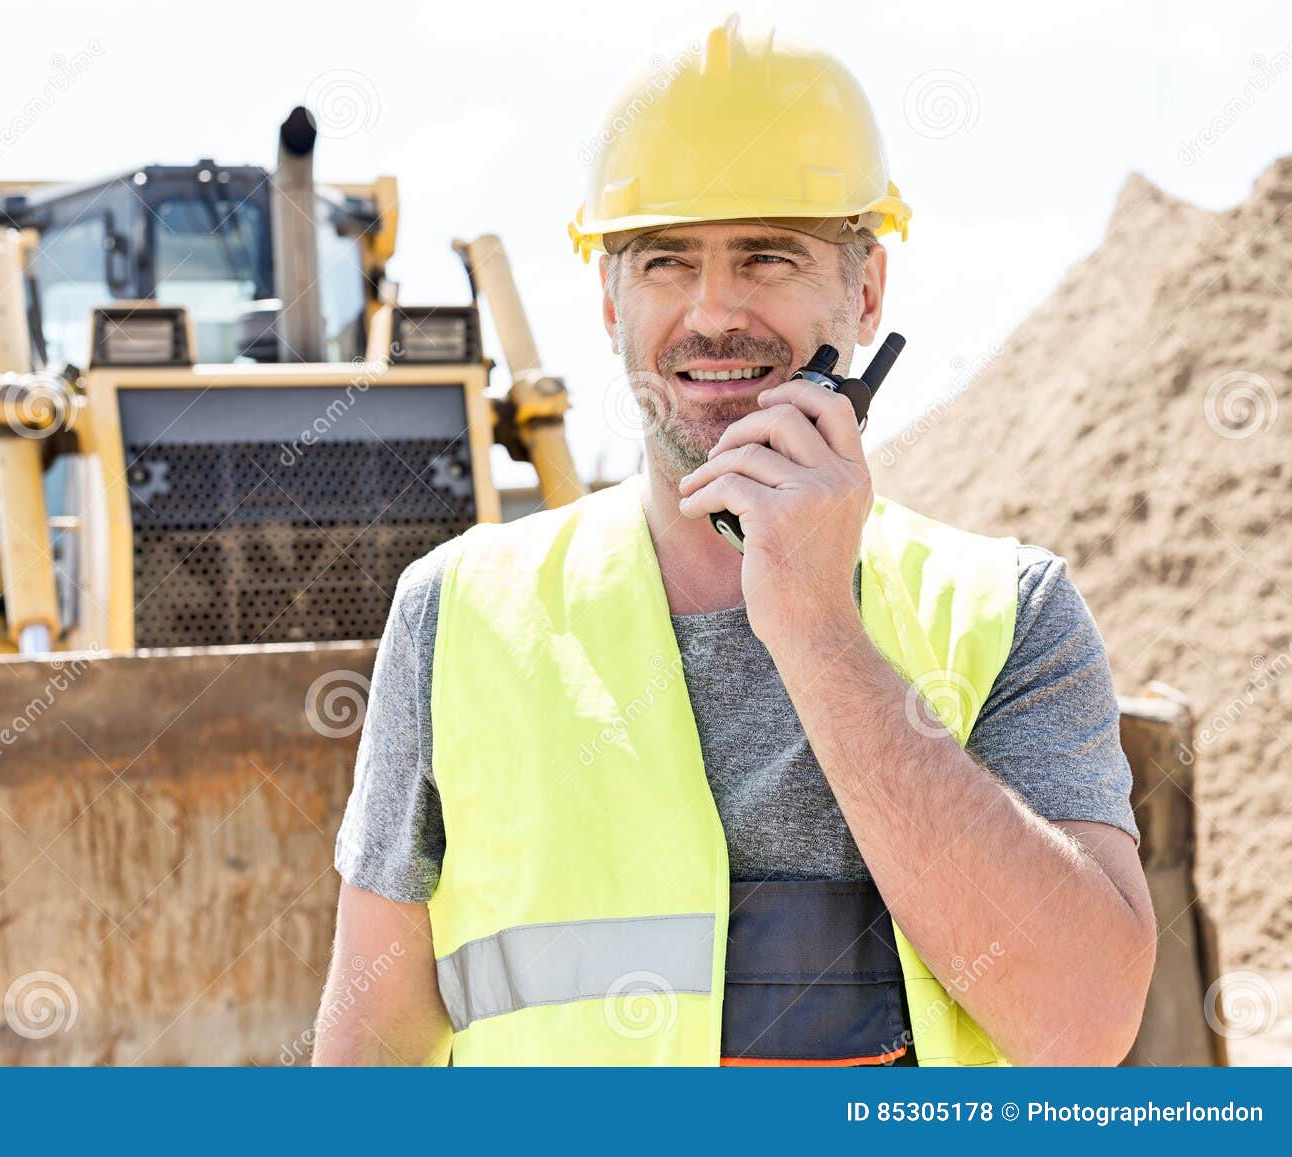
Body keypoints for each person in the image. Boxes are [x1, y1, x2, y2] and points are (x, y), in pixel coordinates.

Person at [313, 15, 1155, 1067]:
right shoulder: (458, 610)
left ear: (866, 291)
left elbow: (1080, 1024)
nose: (713, 312)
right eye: (665, 261)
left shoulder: (1003, 610)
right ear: (608, 296)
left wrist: (813, 624)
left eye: (768, 255)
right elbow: (368, 1053)